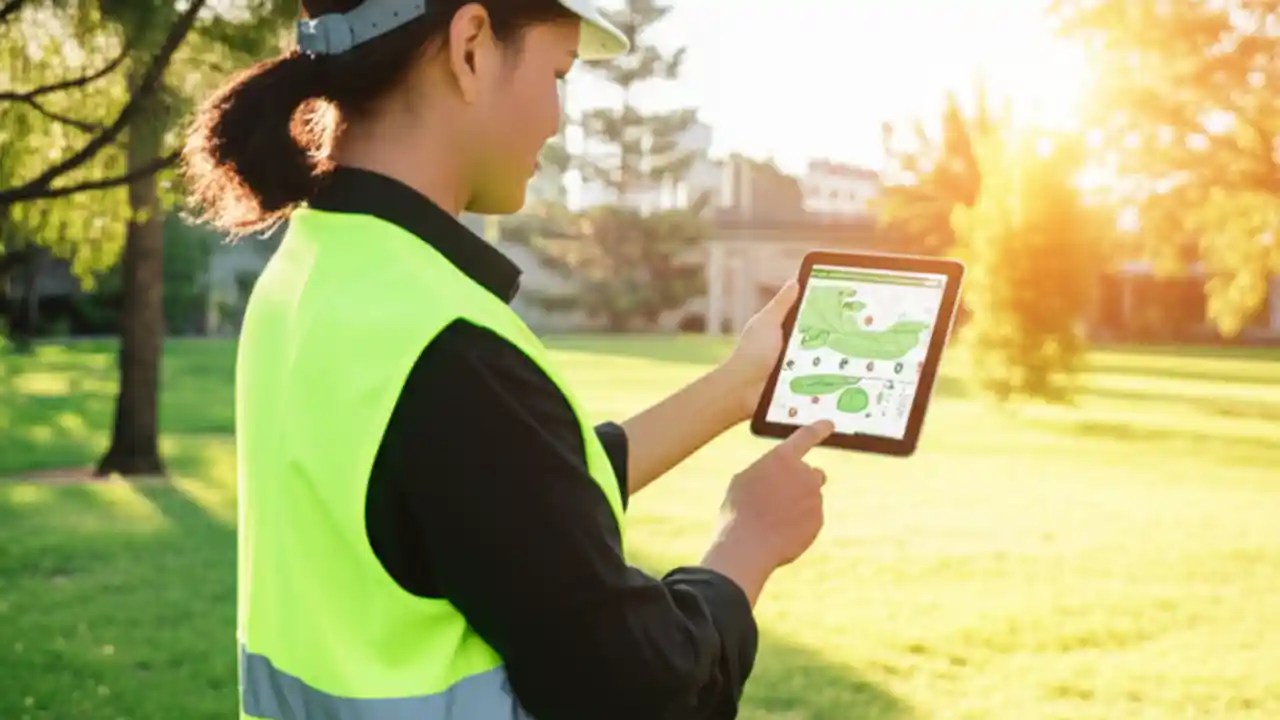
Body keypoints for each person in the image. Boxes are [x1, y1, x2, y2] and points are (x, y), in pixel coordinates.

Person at [182, 1, 834, 718]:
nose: (559, 119)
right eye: (558, 72)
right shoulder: (450, 349)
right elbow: (643, 689)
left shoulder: (312, 271)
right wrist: (750, 540)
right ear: (470, 47)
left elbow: (510, 500)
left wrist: (736, 386)